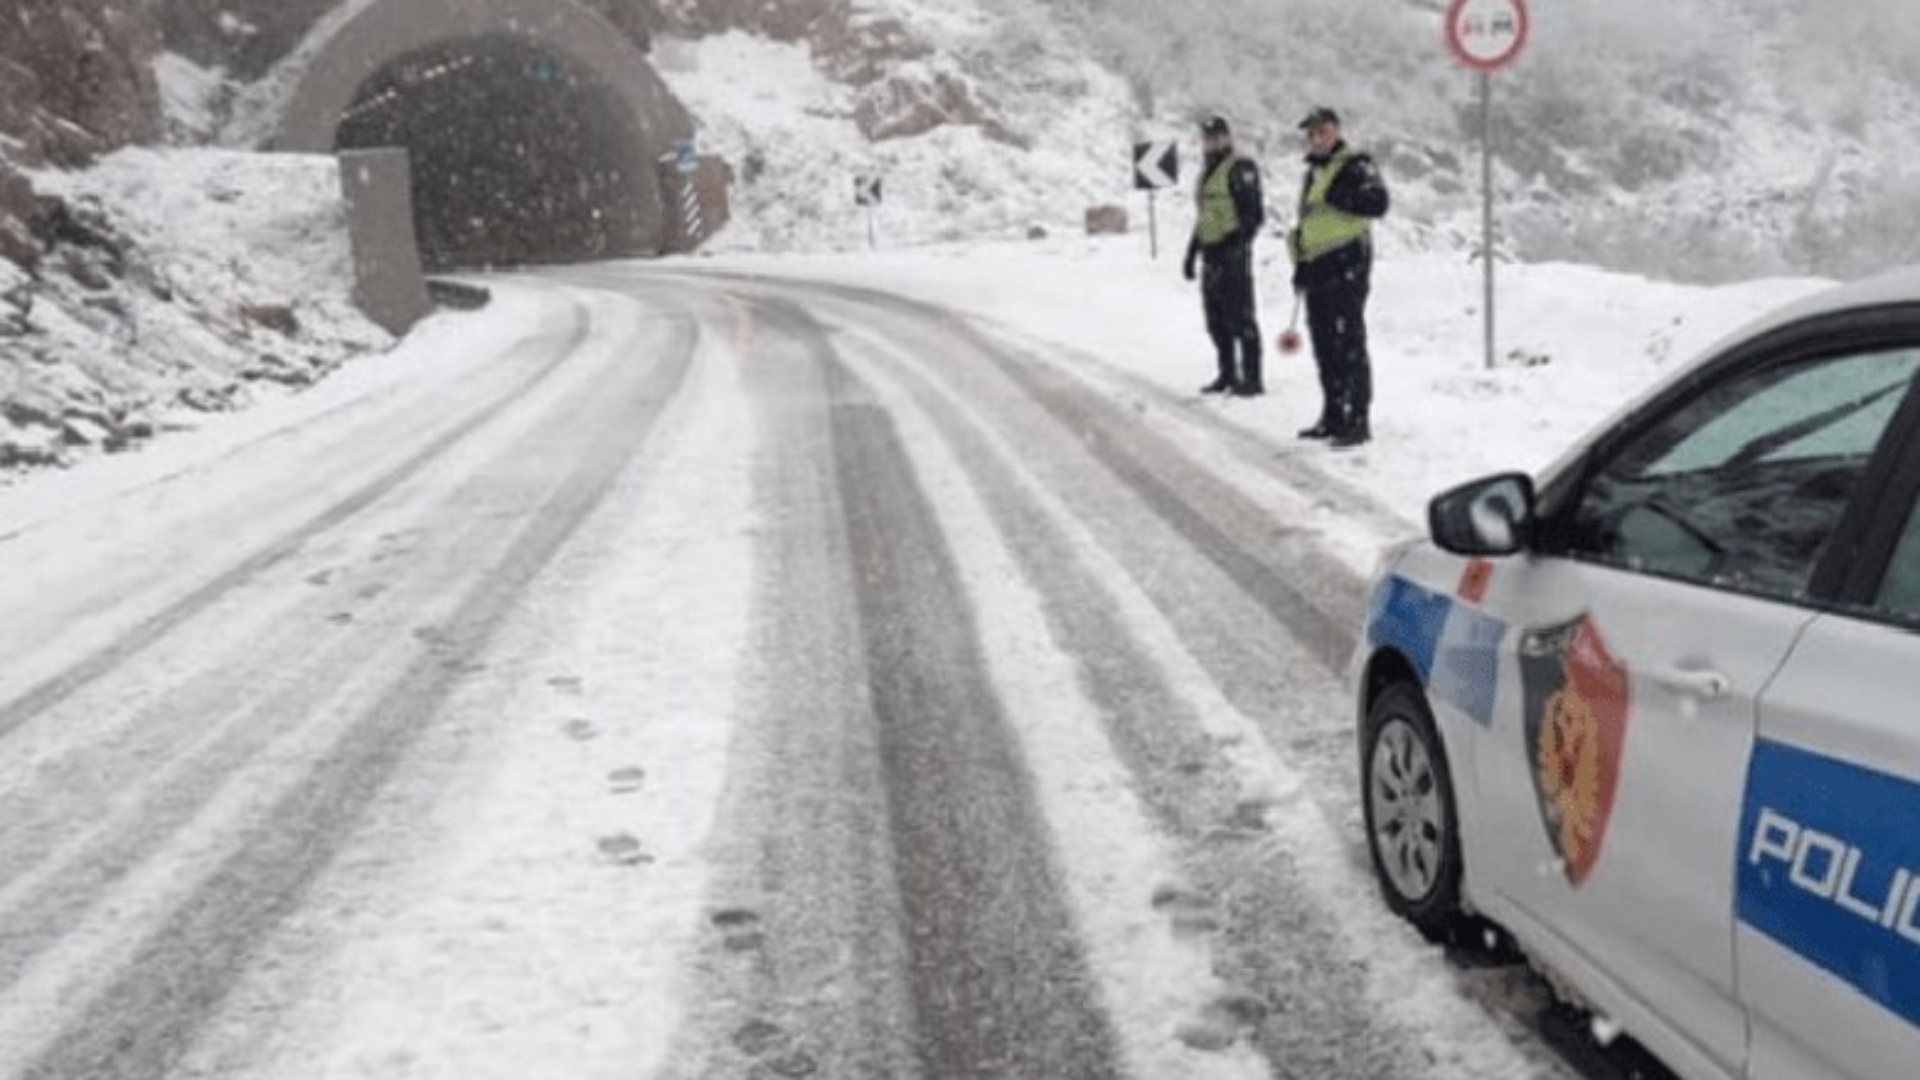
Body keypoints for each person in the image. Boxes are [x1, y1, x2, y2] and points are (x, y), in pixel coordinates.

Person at [1287, 106, 1389, 448]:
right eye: (1311, 133)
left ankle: (1358, 419)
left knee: (1349, 342)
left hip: (1347, 261)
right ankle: (1333, 414)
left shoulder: (1356, 165)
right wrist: (1300, 262)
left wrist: (1340, 196)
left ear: (1336, 130)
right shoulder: (1312, 173)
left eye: (1322, 131)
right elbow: (1308, 220)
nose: (1316, 138)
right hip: (1317, 264)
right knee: (1324, 344)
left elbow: (1378, 203)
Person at [1183, 115, 1266, 396]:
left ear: (1227, 138)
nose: (1211, 143)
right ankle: (1227, 373)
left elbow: (1254, 215)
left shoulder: (1240, 168)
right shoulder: (1206, 174)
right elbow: (1204, 217)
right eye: (1207, 138)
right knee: (1216, 320)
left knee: (1241, 318)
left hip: (1233, 254)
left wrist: (1239, 242)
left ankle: (1253, 378)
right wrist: (1192, 252)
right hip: (1211, 254)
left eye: (1216, 137)